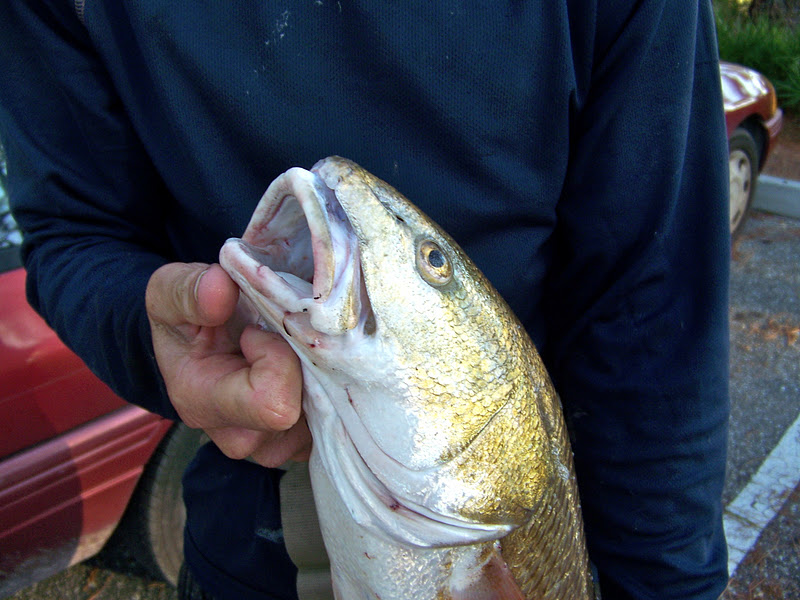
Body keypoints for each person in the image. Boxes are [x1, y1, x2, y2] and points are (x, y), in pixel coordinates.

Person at [0, 1, 731, 598]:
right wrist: (149, 328)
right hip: (242, 555)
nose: (339, 183)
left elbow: (654, 315)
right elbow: (76, 226)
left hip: (509, 513)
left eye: (430, 263)